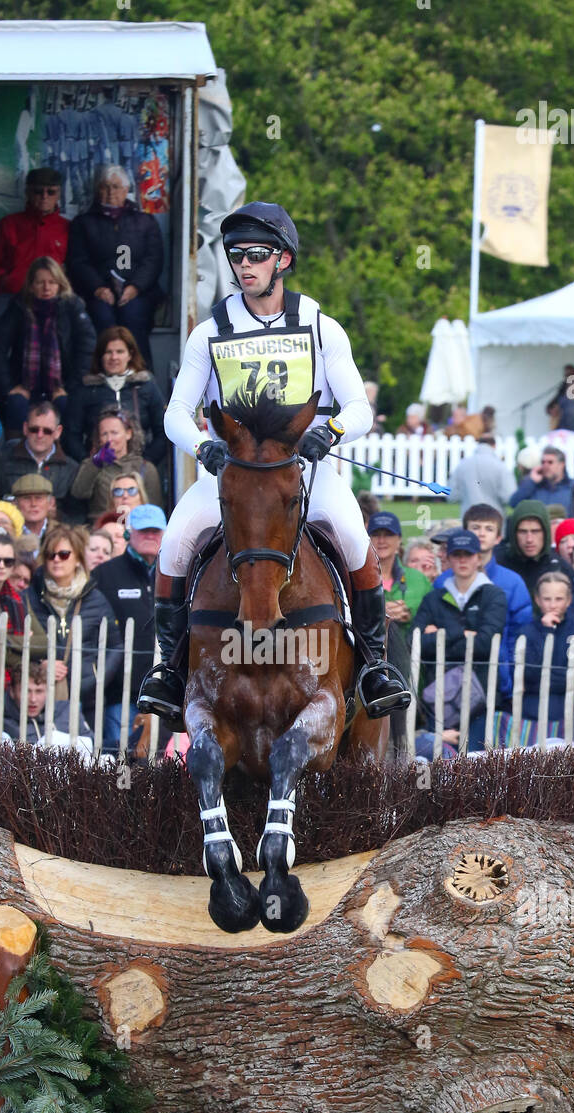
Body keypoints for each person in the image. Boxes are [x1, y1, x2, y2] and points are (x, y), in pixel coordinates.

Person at [137, 200, 411, 723]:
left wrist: (326, 434)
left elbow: (360, 409)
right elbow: (176, 414)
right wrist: (203, 447)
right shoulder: (209, 331)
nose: (245, 265)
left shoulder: (321, 327)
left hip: (305, 472)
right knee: (174, 541)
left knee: (354, 536)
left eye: (257, 255)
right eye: (236, 255)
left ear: (282, 260)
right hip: (233, 477)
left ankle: (374, 664)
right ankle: (169, 672)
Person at [24, 524, 123, 731]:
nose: (56, 560)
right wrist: (40, 664)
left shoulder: (95, 598)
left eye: (63, 554)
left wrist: (98, 679)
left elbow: (116, 645)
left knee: (87, 754)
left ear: (77, 558)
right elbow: (16, 641)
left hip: (87, 699)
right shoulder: (30, 597)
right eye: (51, 555)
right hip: (39, 697)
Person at [413, 530, 507, 748]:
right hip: (438, 699)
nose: (462, 560)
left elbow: (485, 644)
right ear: (449, 558)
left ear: (478, 558)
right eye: (457, 554)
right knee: (437, 764)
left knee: (477, 764)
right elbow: (416, 644)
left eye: (468, 554)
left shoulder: (494, 595)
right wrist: (461, 633)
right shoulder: (433, 598)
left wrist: (439, 636)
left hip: (481, 700)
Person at [66, 165, 163, 368]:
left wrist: (135, 287)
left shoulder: (145, 221)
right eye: (105, 187)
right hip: (98, 291)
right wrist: (98, 288)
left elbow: (153, 260)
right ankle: (103, 377)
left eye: (117, 187)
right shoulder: (83, 223)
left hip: (139, 291)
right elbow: (78, 261)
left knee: (133, 315)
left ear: (126, 190)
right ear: (97, 190)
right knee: (102, 318)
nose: (111, 192)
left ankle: (141, 375)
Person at [434, 504, 532, 702]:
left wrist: (511, 679)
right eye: (475, 528)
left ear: (498, 537)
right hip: (450, 680)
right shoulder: (443, 581)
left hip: (498, 682)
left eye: (488, 529)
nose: (481, 534)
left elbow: (520, 634)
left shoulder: (512, 583)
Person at [0, 256, 96, 432]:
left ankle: (62, 456)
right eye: (40, 282)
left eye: (52, 282)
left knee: (66, 404)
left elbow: (87, 348)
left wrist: (69, 387)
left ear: (60, 284)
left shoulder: (73, 306)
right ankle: (17, 456)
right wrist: (9, 386)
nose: (47, 288)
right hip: (24, 386)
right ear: (31, 286)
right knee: (16, 404)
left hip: (62, 385)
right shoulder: (18, 306)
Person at [95, 503, 166, 748]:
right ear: (129, 533)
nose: (150, 536)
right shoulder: (104, 575)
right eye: (143, 530)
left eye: (155, 531)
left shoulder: (177, 574)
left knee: (161, 759)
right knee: (120, 758)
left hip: (165, 690)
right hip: (121, 691)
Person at [62, 325, 167, 482]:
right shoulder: (85, 389)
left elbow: (163, 430)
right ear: (100, 356)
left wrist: (147, 461)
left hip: (139, 472)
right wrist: (89, 462)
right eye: (108, 352)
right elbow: (71, 434)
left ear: (130, 354)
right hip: (98, 473)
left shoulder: (147, 386)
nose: (114, 357)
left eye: (120, 352)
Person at [0, 167, 69, 348]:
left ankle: (62, 375)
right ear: (28, 192)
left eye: (50, 191)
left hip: (52, 294)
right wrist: (5, 281)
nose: (44, 196)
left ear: (58, 194)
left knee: (69, 319)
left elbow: (75, 265)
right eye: (38, 191)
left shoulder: (67, 228)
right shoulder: (9, 224)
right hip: (12, 293)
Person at [0, 400, 79, 512]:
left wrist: (55, 515)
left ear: (58, 432)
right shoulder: (0, 462)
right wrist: (7, 510)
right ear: (25, 428)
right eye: (34, 429)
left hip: (54, 528)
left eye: (47, 431)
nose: (40, 435)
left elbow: (76, 515)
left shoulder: (72, 469)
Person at [70, 408, 158, 519]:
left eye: (114, 433)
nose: (109, 439)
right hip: (103, 529)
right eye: (104, 434)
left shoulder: (146, 467)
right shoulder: (92, 464)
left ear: (128, 434)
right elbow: (79, 492)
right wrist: (95, 464)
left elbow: (156, 509)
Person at [517, 572, 574, 727]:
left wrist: (549, 675)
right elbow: (529, 674)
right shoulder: (527, 632)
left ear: (568, 600)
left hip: (569, 710)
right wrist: (547, 632)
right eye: (547, 599)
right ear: (537, 600)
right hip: (532, 711)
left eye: (559, 599)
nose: (552, 605)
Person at [2, 659, 94, 748]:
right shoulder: (1, 720)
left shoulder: (66, 711)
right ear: (12, 692)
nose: (33, 699)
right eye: (26, 691)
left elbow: (92, 744)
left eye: (39, 691)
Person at [367, 511, 430, 632]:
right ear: (367, 539)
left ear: (399, 539)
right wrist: (378, 615)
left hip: (410, 648)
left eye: (388, 534)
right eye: (376, 534)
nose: (381, 540)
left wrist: (409, 614)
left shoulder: (419, 579)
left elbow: (435, 616)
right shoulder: (355, 579)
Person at [494, 500, 574, 595]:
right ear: (514, 533)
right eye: (523, 532)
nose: (529, 539)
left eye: (535, 531)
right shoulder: (497, 564)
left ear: (545, 532)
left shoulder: (560, 567)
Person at [446, 433, 514, 514]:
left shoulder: (462, 465)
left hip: (469, 516)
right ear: (494, 445)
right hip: (494, 518)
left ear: (479, 444)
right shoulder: (501, 466)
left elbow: (452, 495)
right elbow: (508, 497)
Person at [11, 473, 57, 545]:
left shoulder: (62, 533)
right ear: (15, 504)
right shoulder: (9, 535)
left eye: (39, 498)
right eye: (26, 498)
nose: (33, 504)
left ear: (51, 503)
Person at [546, 363, 574, 431]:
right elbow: (553, 403)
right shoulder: (563, 388)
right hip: (562, 423)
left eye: (570, 375)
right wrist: (551, 408)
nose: (568, 377)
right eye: (566, 375)